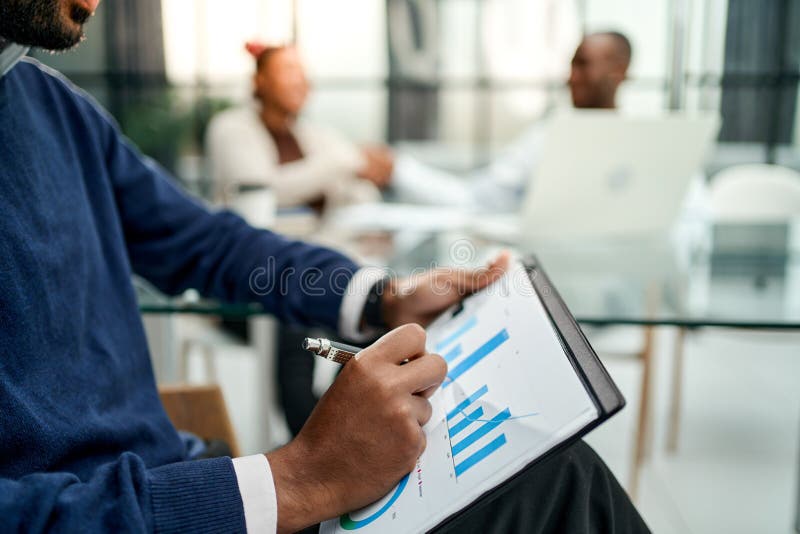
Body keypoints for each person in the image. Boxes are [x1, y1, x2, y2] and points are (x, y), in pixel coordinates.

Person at [0, 3, 649, 532]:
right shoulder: (230, 129)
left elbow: (212, 243)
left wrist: (380, 296)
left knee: (556, 475)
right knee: (558, 491)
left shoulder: (52, 105)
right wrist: (294, 479)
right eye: (290, 75)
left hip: (174, 483)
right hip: (166, 509)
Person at [390, 31, 633, 212]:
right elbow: (477, 199)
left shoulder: (639, 143)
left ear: (619, 72)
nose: (571, 78)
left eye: (583, 64)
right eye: (572, 66)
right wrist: (399, 171)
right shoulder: (547, 136)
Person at [206, 42, 394, 213]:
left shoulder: (308, 134)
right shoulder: (230, 128)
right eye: (289, 71)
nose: (300, 82)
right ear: (259, 80)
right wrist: (346, 162)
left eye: (303, 73)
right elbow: (263, 192)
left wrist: (366, 169)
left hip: (311, 238)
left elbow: (350, 172)